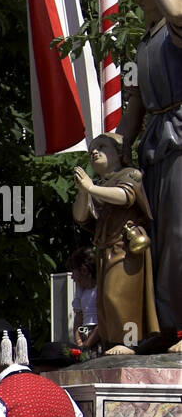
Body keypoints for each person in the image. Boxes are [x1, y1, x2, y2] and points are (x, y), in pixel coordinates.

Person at [120, 0, 182, 335]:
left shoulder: (176, 25)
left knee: (179, 235)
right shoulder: (145, 42)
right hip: (155, 147)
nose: (139, 0)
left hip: (180, 137)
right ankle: (164, 328)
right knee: (157, 241)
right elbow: (135, 108)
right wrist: (117, 148)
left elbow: (177, 13)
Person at [73, 135, 159, 351]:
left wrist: (91, 189)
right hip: (105, 248)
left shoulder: (130, 175)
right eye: (92, 149)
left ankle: (128, 342)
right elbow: (81, 216)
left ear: (120, 153)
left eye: (101, 147)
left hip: (125, 246)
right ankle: (112, 342)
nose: (94, 152)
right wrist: (84, 191)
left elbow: (124, 196)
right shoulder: (99, 185)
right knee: (106, 301)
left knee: (121, 295)